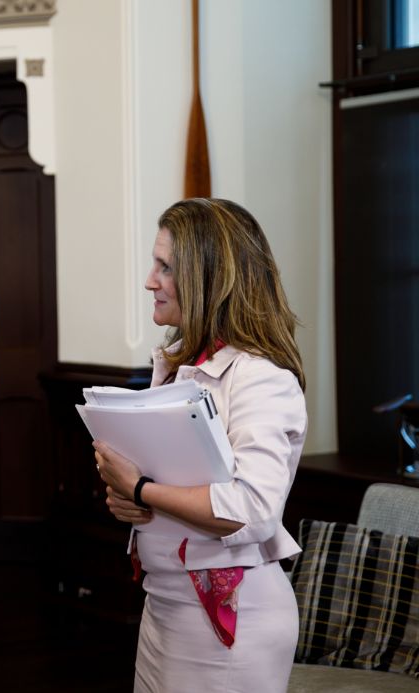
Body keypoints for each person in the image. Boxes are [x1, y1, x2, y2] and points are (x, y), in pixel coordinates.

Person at [95, 198, 308, 692]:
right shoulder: (176, 363)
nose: (150, 280)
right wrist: (127, 499)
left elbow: (253, 509)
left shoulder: (262, 378)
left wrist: (142, 488)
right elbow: (176, 483)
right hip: (164, 601)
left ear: (208, 277)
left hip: (230, 618)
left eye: (165, 267)